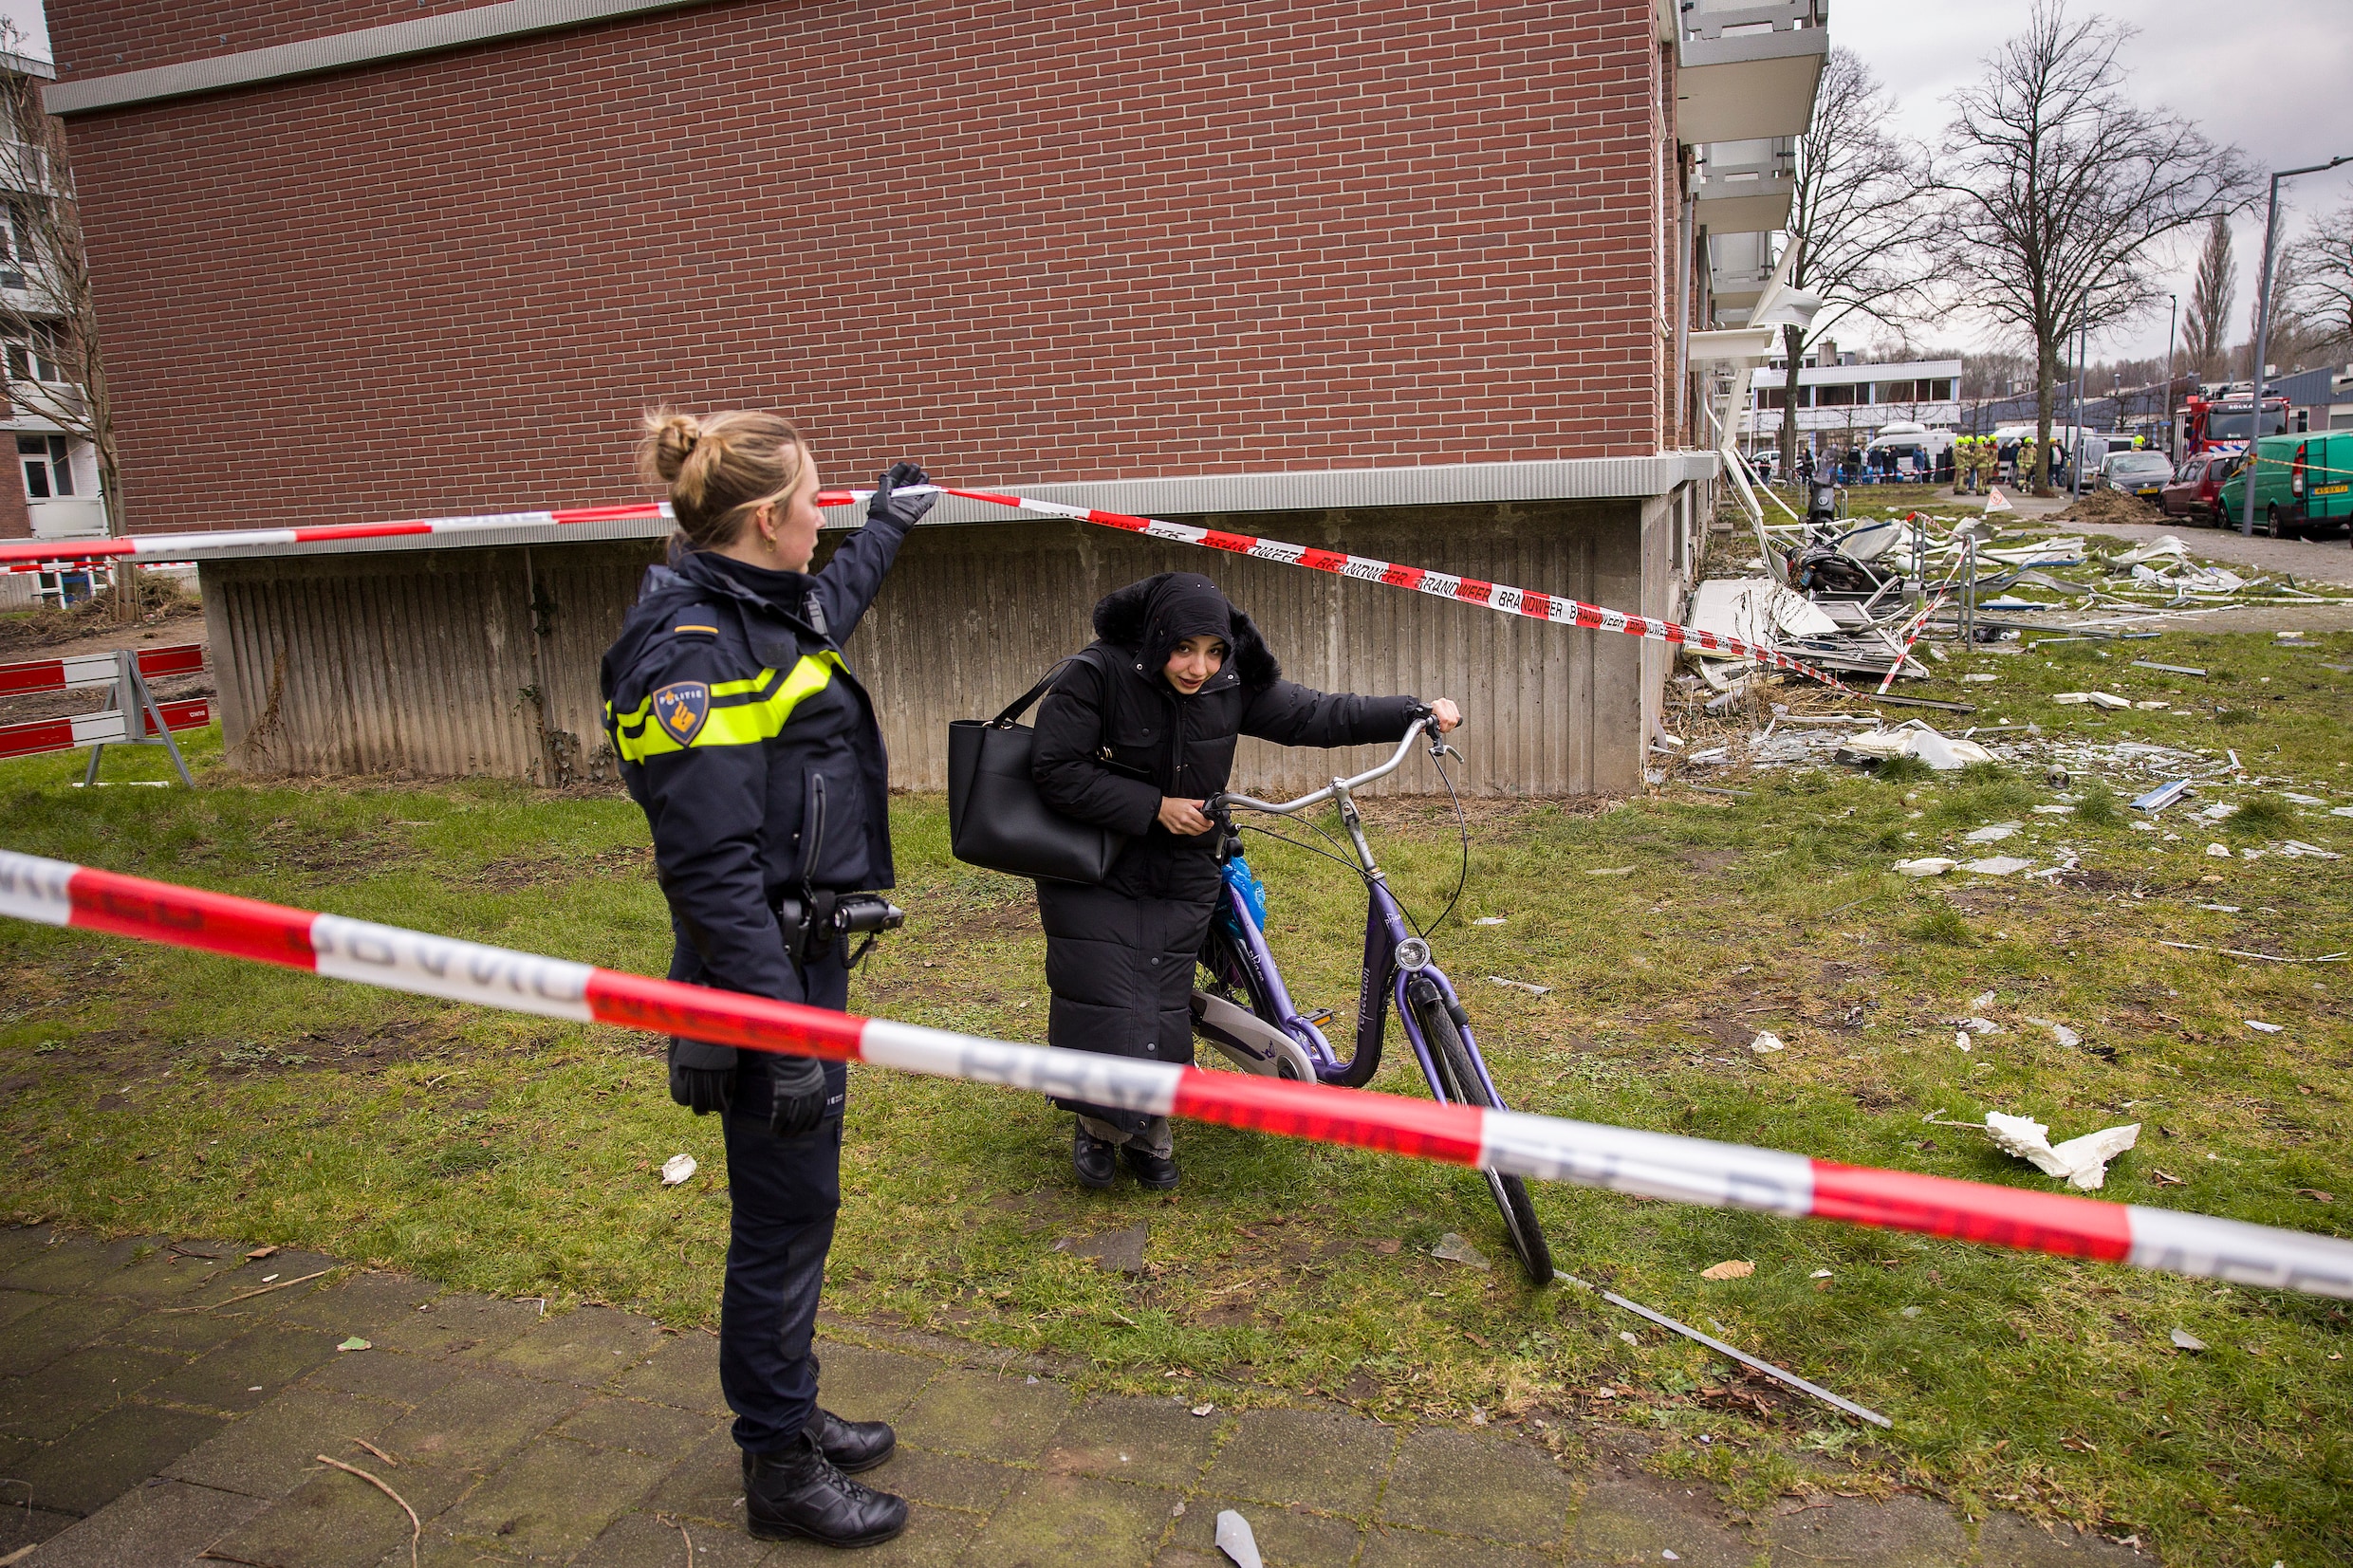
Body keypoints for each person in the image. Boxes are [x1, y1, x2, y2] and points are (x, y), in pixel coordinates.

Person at [601, 410, 933, 1550]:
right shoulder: (689, 652)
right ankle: (778, 1468)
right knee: (782, 1219)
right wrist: (779, 1032)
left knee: (801, 1206)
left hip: (795, 961)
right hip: (759, 971)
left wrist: (887, 529)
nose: (823, 516)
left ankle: (788, 1408)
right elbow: (705, 868)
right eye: (819, 502)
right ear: (763, 518)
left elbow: (820, 616)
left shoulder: (748, 614)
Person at [1028, 573, 1460, 1189]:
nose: (1198, 666)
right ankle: (1099, 1127)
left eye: (1213, 651)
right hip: (1100, 867)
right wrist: (1153, 805)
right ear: (1155, 639)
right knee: (1103, 993)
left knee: (1159, 996)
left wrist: (1409, 712)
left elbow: (1316, 713)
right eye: (1184, 649)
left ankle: (1150, 1126)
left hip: (1184, 868)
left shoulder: (1229, 684)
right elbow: (1054, 769)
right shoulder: (1096, 672)